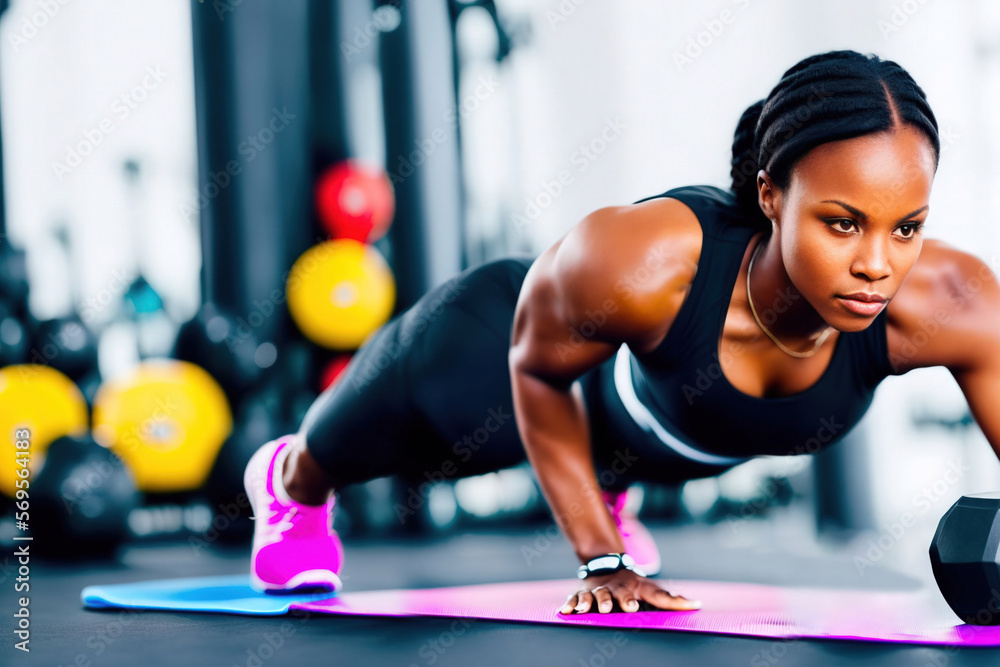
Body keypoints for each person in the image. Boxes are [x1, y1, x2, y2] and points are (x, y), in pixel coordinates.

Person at [242, 49, 1000, 615]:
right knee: (421, 444)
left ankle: (604, 486)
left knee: (614, 450)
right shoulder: (643, 258)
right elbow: (538, 373)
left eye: (906, 228)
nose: (877, 264)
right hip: (497, 356)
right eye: (841, 224)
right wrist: (598, 558)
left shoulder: (950, 302)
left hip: (650, 440)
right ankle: (290, 481)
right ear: (772, 194)